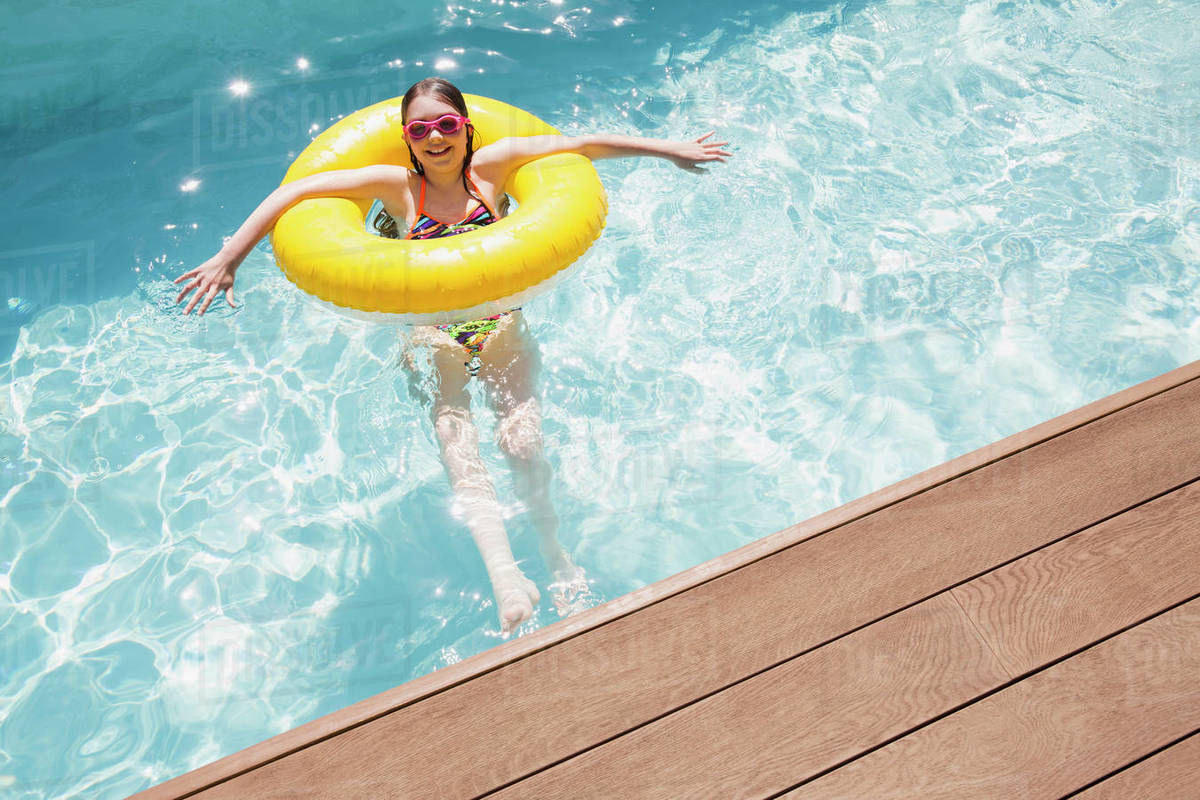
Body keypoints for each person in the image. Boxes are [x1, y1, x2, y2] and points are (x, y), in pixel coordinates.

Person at [173, 77, 730, 634]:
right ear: (406, 139)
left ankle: (556, 555)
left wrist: (670, 150)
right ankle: (504, 573)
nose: (434, 137)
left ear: (466, 126)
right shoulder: (398, 187)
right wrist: (229, 259)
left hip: (499, 326)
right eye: (419, 129)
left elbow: (581, 146)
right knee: (453, 430)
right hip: (432, 333)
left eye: (445, 124)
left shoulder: (493, 169)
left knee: (522, 439)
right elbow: (293, 194)